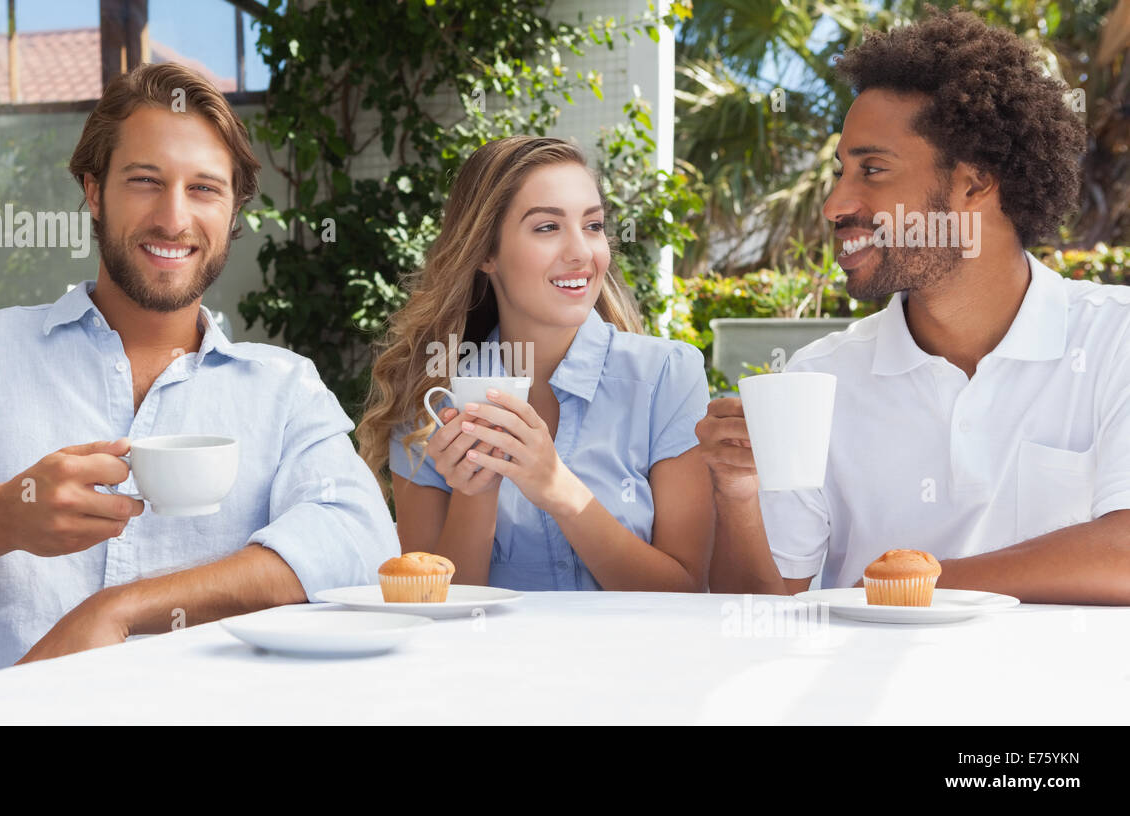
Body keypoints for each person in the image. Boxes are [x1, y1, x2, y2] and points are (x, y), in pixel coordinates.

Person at [0, 62, 398, 691]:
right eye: (145, 180)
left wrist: (118, 611)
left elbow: (358, 543)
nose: (173, 219)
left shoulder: (284, 390)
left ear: (234, 208)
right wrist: (0, 518)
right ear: (94, 191)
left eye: (205, 189)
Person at [698, 9, 1130, 604]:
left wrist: (910, 585)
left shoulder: (1115, 340)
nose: (835, 204)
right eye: (841, 171)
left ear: (974, 184)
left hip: (1066, 696)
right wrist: (737, 495)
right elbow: (764, 611)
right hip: (864, 694)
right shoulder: (820, 380)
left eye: (873, 169)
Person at [357, 136, 714, 591]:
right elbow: (430, 605)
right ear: (486, 253)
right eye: (547, 227)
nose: (581, 252)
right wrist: (476, 492)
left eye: (593, 225)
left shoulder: (666, 377)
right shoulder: (431, 398)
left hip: (632, 661)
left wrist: (558, 490)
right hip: (489, 663)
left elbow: (683, 591)